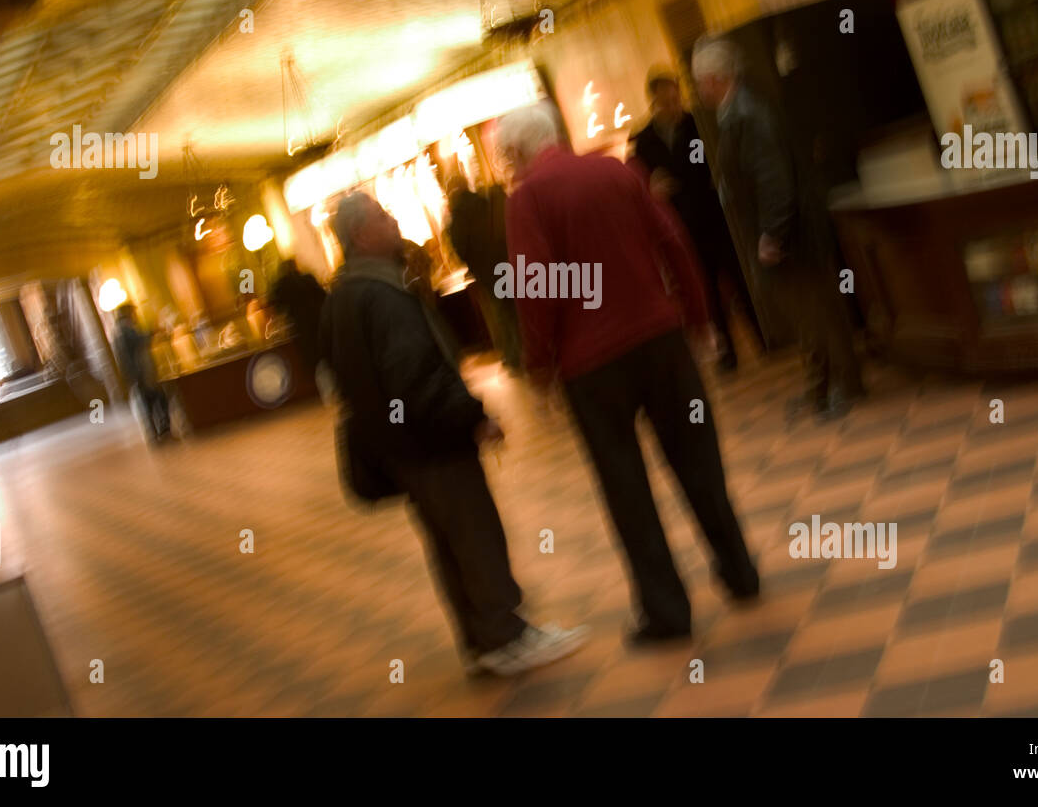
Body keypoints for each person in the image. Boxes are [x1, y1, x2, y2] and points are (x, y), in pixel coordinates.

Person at [500, 102, 760, 645]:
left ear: (519, 151)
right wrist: (697, 319)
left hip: (590, 367)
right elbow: (674, 244)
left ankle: (667, 611)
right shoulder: (618, 171)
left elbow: (535, 287)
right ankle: (740, 572)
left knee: (626, 488)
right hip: (661, 342)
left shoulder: (527, 199)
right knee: (699, 462)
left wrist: (539, 368)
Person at [319, 191, 588, 676]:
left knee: (448, 542)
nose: (393, 218)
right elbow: (416, 375)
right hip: (431, 441)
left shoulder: (345, 294)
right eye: (383, 216)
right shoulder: (381, 294)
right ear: (362, 234)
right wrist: (470, 416)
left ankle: (481, 640)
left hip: (400, 447)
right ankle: (507, 635)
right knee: (474, 533)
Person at [691, 35, 864, 420]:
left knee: (818, 310)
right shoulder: (742, 108)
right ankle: (822, 384)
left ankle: (844, 385)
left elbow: (774, 178)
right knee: (807, 313)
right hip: (787, 231)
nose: (699, 89)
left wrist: (773, 233)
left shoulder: (746, 114)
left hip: (791, 234)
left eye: (701, 81)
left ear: (716, 77)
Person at [630, 66, 764, 372]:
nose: (672, 105)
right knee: (705, 289)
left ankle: (763, 336)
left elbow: (710, 165)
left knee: (740, 278)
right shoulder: (644, 140)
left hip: (714, 216)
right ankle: (727, 350)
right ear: (654, 101)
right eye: (664, 100)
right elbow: (638, 182)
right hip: (680, 225)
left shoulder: (696, 126)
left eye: (674, 98)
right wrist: (652, 188)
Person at [445, 175, 522, 371]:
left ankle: (513, 356)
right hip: (505, 262)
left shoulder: (457, 219)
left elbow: (459, 250)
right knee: (515, 308)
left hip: (485, 273)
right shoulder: (484, 202)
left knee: (500, 315)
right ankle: (525, 349)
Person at [112, 304, 172, 442]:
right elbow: (141, 340)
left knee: (148, 403)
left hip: (135, 374)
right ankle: (163, 429)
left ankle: (155, 432)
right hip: (141, 373)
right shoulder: (126, 329)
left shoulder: (118, 330)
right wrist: (155, 330)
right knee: (157, 398)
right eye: (133, 312)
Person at [269, 258, 327, 375]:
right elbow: (324, 297)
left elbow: (277, 306)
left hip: (301, 327)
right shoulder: (307, 279)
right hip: (318, 322)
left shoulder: (282, 286)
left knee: (312, 361)